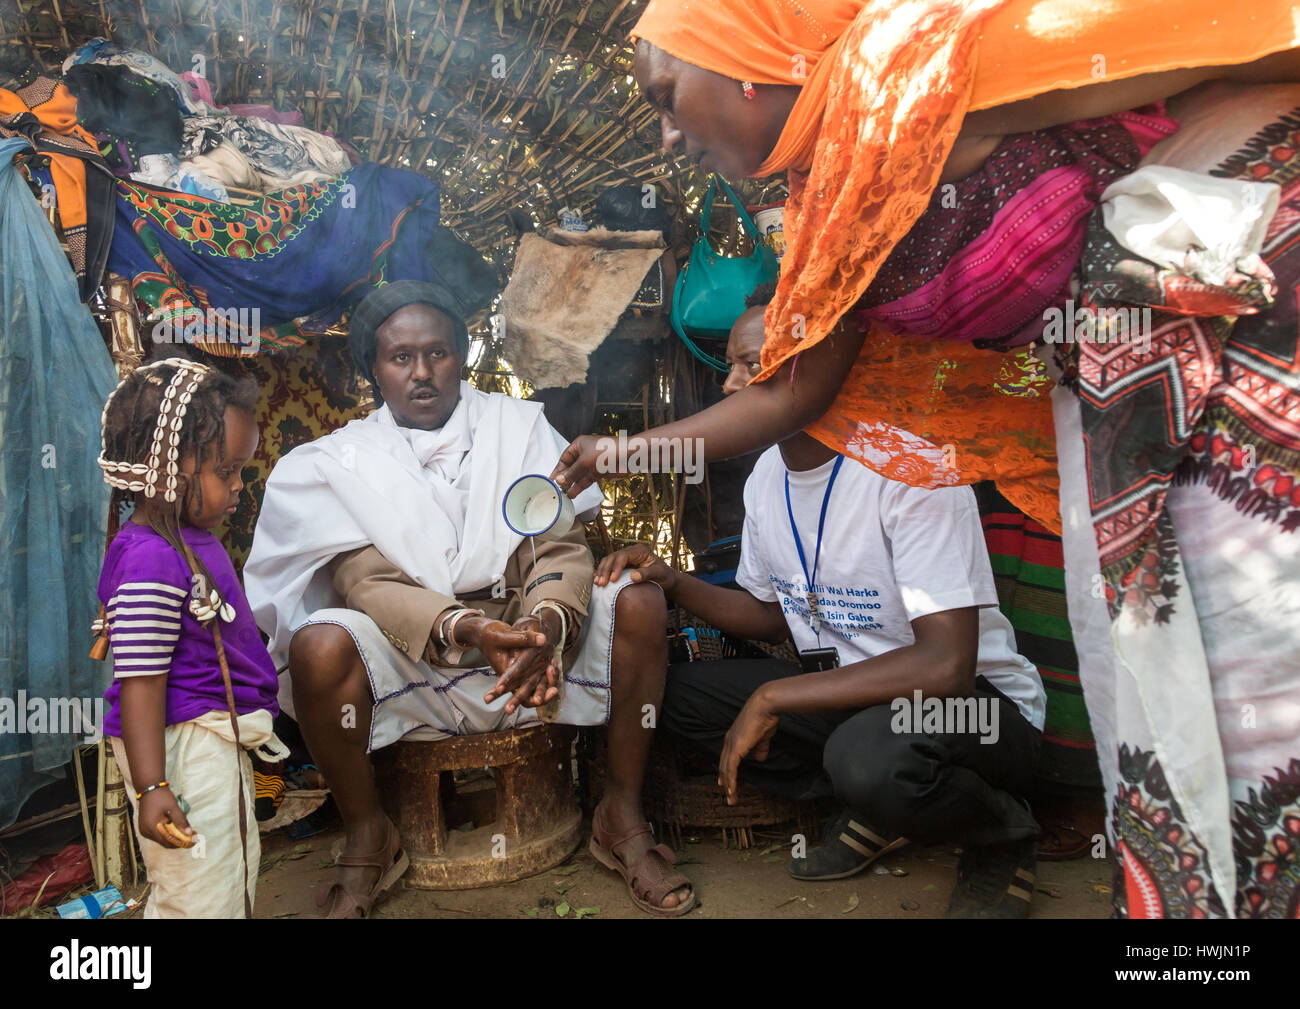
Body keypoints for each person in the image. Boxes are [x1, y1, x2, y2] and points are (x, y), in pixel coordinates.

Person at [553, 1, 1300, 919]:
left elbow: (1189, 37)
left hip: (1241, 303)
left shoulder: (904, 67)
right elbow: (796, 395)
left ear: (751, 60)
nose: (666, 137)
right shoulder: (831, 197)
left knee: (1249, 690)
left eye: (669, 96)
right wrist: (629, 461)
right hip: (1120, 373)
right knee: (1156, 684)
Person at [244, 280, 694, 917]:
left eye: (439, 353)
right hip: (419, 649)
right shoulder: (335, 462)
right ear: (373, 368)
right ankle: (370, 837)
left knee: (639, 601)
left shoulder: (520, 429)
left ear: (464, 354)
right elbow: (365, 582)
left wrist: (543, 626)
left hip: (534, 638)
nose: (422, 373)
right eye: (400, 357)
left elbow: (556, 547)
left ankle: (620, 817)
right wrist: (468, 629)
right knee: (319, 643)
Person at [596, 288, 1045, 916]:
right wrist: (675, 583)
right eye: (732, 365)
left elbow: (946, 667)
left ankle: (1002, 834)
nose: (731, 386)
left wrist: (774, 695)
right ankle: (875, 808)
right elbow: (771, 616)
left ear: (819, 371)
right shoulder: (765, 479)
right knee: (672, 703)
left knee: (866, 755)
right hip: (854, 698)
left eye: (755, 366)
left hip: (980, 714)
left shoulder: (911, 470)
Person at [94, 358, 284, 918]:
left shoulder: (188, 537)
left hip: (206, 739)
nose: (237, 488)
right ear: (167, 471)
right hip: (179, 746)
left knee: (223, 876)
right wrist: (153, 787)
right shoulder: (151, 560)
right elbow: (142, 681)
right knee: (198, 895)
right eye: (227, 472)